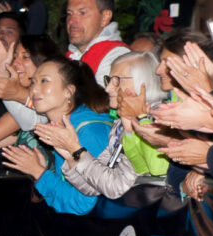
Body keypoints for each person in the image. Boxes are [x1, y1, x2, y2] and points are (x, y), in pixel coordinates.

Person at [37, 51, 169, 199]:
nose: (108, 88)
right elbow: (94, 187)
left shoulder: (158, 120)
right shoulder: (120, 122)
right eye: (109, 80)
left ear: (142, 83)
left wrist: (76, 149)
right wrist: (70, 156)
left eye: (117, 80)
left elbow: (116, 187)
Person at [1, 57, 112, 215]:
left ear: (68, 91)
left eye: (44, 81)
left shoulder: (90, 130)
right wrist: (46, 171)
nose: (34, 90)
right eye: (33, 82)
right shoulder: (58, 128)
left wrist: (39, 172)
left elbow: (83, 203)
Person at [63, 0, 129, 85]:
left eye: (82, 13)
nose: (72, 21)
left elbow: (100, 97)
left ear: (105, 17)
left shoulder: (117, 56)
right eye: (69, 14)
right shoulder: (72, 55)